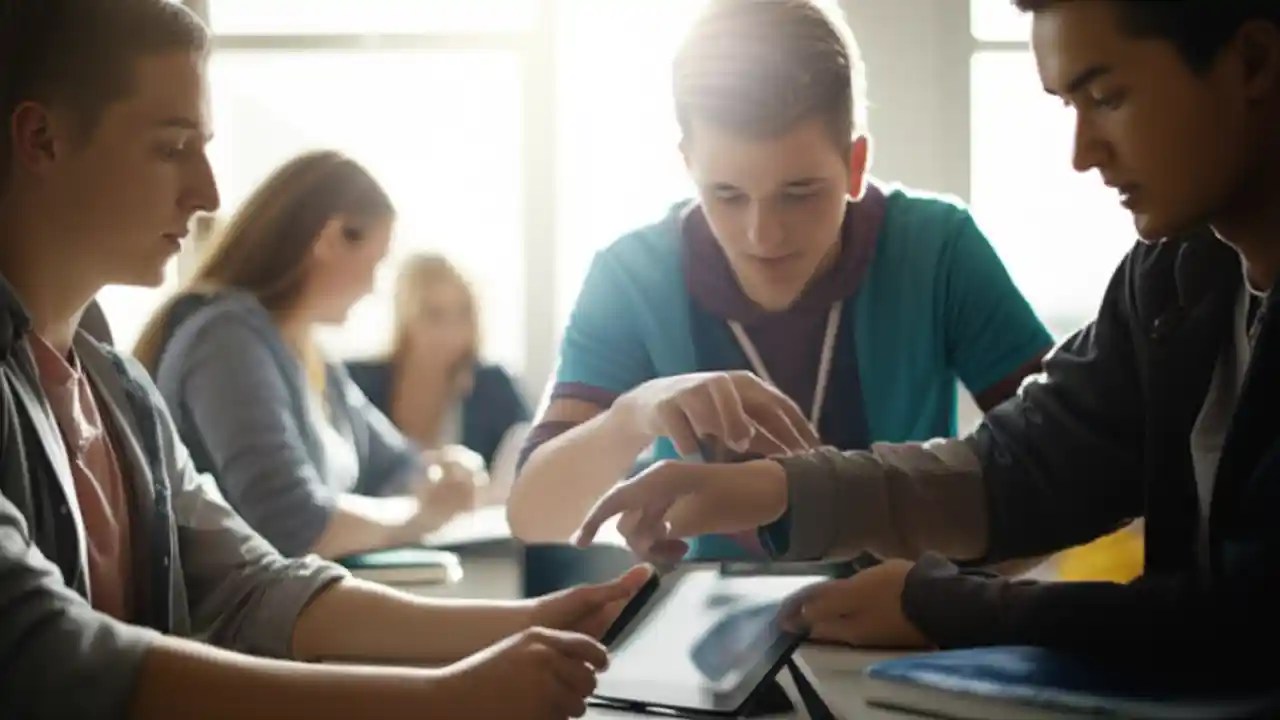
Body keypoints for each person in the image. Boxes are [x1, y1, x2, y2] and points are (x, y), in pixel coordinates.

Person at [572, 0, 1280, 682]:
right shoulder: (1170, 277)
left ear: (1251, 62)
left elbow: (1248, 619)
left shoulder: (937, 246)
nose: (1081, 153)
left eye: (1107, 98)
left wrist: (944, 606)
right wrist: (775, 490)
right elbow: (1023, 470)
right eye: (1070, 106)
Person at [0, 2, 647, 718]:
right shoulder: (225, 340)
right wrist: (440, 697)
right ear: (42, 139)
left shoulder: (120, 390)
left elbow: (253, 584)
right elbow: (48, 652)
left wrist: (536, 620)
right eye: (172, 147)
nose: (208, 193)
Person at [508, 0, 1054, 559]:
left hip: (906, 603)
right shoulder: (631, 275)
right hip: (709, 610)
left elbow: (1062, 467)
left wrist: (958, 592)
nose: (762, 235)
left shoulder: (938, 250)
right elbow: (534, 517)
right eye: (727, 194)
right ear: (689, 164)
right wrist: (633, 415)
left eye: (799, 193)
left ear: (856, 165)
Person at [133, 152, 482, 560]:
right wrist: (419, 516)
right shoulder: (227, 343)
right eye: (376, 263)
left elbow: (395, 464)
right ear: (332, 238)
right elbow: (295, 526)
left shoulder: (313, 359)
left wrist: (444, 471)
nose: (372, 288)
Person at [347, 252, 532, 503]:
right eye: (434, 314)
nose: (451, 330)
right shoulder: (359, 382)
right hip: (377, 522)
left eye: (462, 313)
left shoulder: (492, 384)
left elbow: (531, 458)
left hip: (472, 523)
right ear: (406, 316)